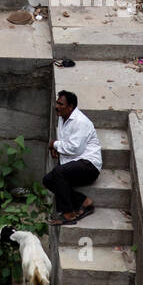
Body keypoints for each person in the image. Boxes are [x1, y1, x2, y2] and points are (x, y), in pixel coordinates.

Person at [44, 89, 101, 224]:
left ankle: (69, 214)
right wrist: (56, 148)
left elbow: (75, 148)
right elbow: (66, 142)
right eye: (57, 103)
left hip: (89, 166)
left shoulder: (80, 122)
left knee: (58, 173)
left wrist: (54, 144)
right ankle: (84, 201)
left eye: (61, 104)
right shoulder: (62, 118)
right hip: (75, 162)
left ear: (70, 107)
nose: (57, 106)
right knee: (47, 180)